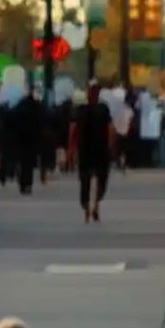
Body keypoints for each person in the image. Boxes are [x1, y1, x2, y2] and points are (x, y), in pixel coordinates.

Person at [70, 83, 114, 223]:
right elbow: (110, 128)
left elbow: (73, 129)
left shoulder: (81, 110)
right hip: (100, 149)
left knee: (85, 180)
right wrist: (111, 145)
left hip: (85, 149)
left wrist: (71, 148)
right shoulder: (103, 109)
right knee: (101, 178)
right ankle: (96, 203)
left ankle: (87, 205)